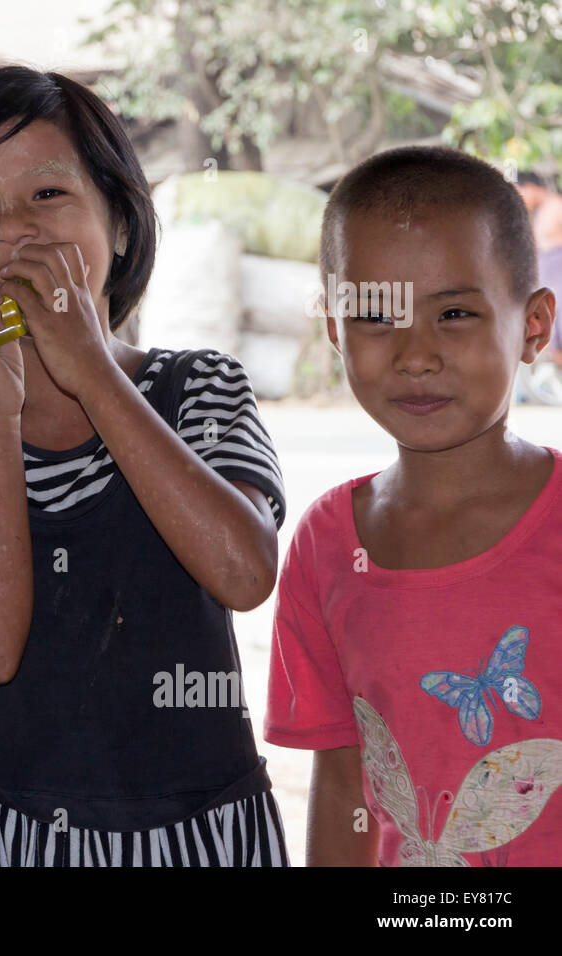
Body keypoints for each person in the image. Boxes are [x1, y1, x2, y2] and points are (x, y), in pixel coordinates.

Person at [0, 65, 288, 866]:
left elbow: (244, 573)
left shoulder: (199, 385)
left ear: (123, 225)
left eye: (48, 195)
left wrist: (94, 372)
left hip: (205, 831)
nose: (13, 229)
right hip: (20, 835)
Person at [266, 145, 562, 866]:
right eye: (376, 317)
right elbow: (341, 789)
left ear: (533, 326)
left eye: (454, 312)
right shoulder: (327, 544)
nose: (415, 354)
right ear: (336, 331)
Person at [517, 171, 562, 363]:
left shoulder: (557, 206)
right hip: (549, 286)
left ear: (531, 187)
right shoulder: (540, 213)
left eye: (521, 192)